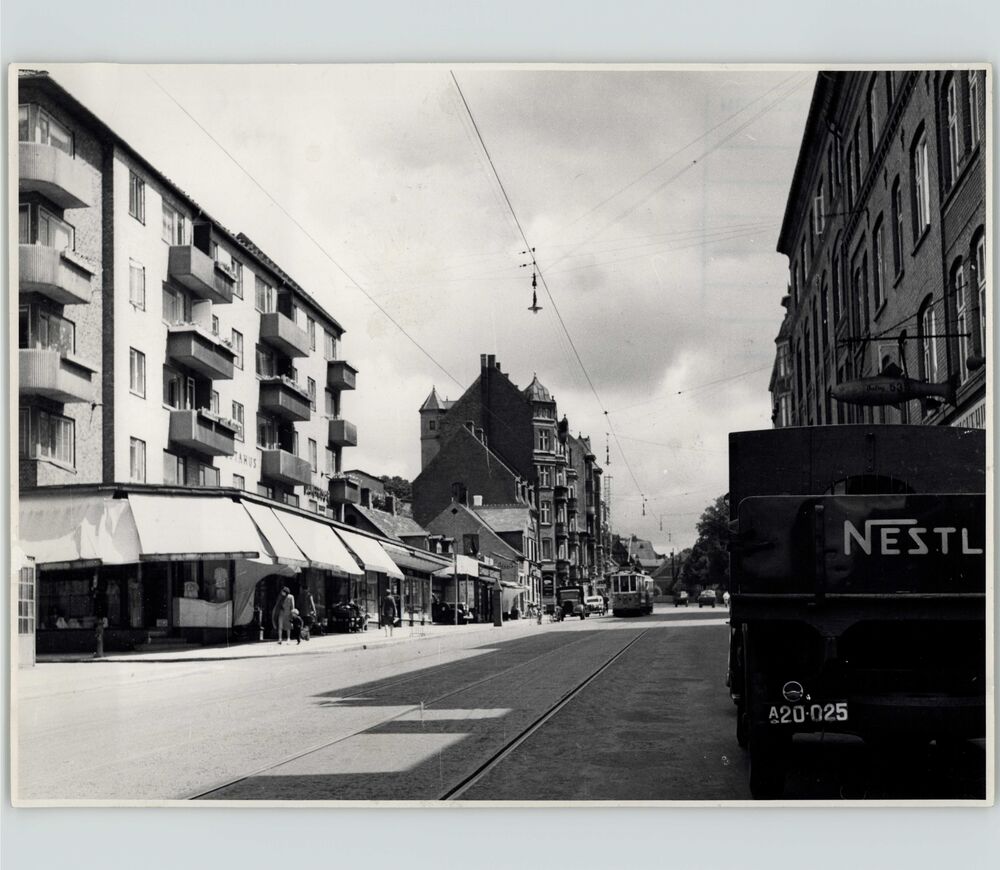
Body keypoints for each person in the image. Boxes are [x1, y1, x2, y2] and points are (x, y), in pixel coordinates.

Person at [92, 581, 109, 658]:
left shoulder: (99, 599)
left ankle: (99, 653)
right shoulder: (103, 598)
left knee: (99, 635)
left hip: (100, 618)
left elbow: (98, 609)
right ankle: (100, 652)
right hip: (101, 618)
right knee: (99, 635)